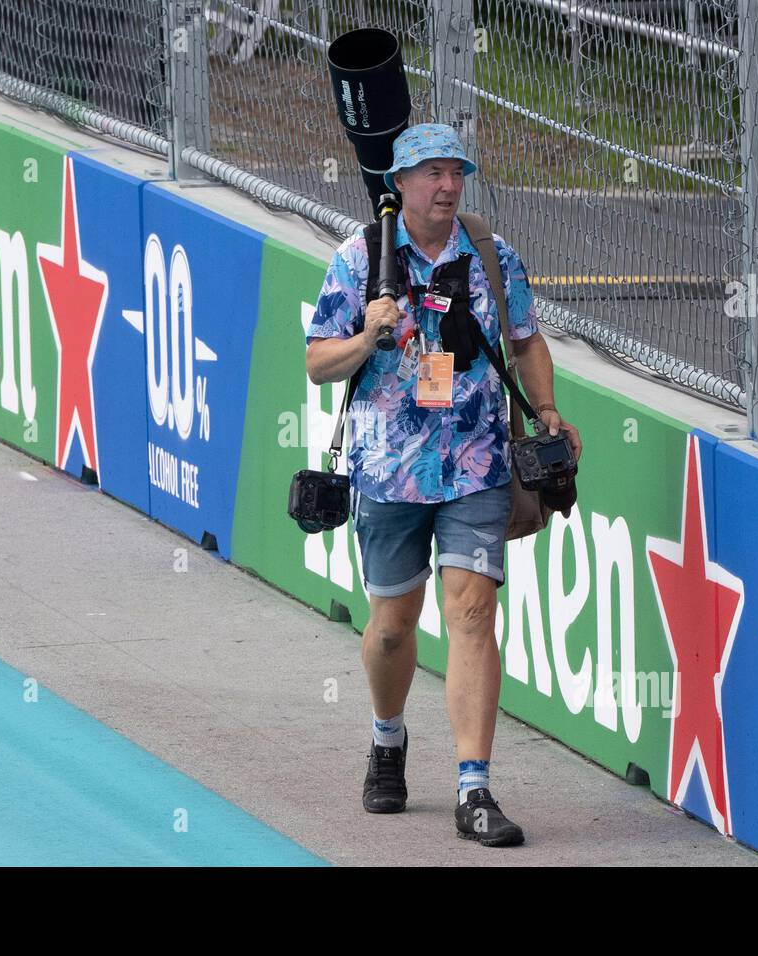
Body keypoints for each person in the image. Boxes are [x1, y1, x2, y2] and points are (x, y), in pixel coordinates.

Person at [304, 124, 583, 847]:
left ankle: (474, 786)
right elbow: (317, 362)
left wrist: (546, 409)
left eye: (455, 172)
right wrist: (368, 336)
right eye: (431, 173)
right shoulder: (361, 258)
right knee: (393, 629)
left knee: (472, 614)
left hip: (478, 464)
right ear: (399, 184)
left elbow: (524, 339)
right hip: (390, 471)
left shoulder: (492, 255)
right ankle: (388, 738)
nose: (448, 185)